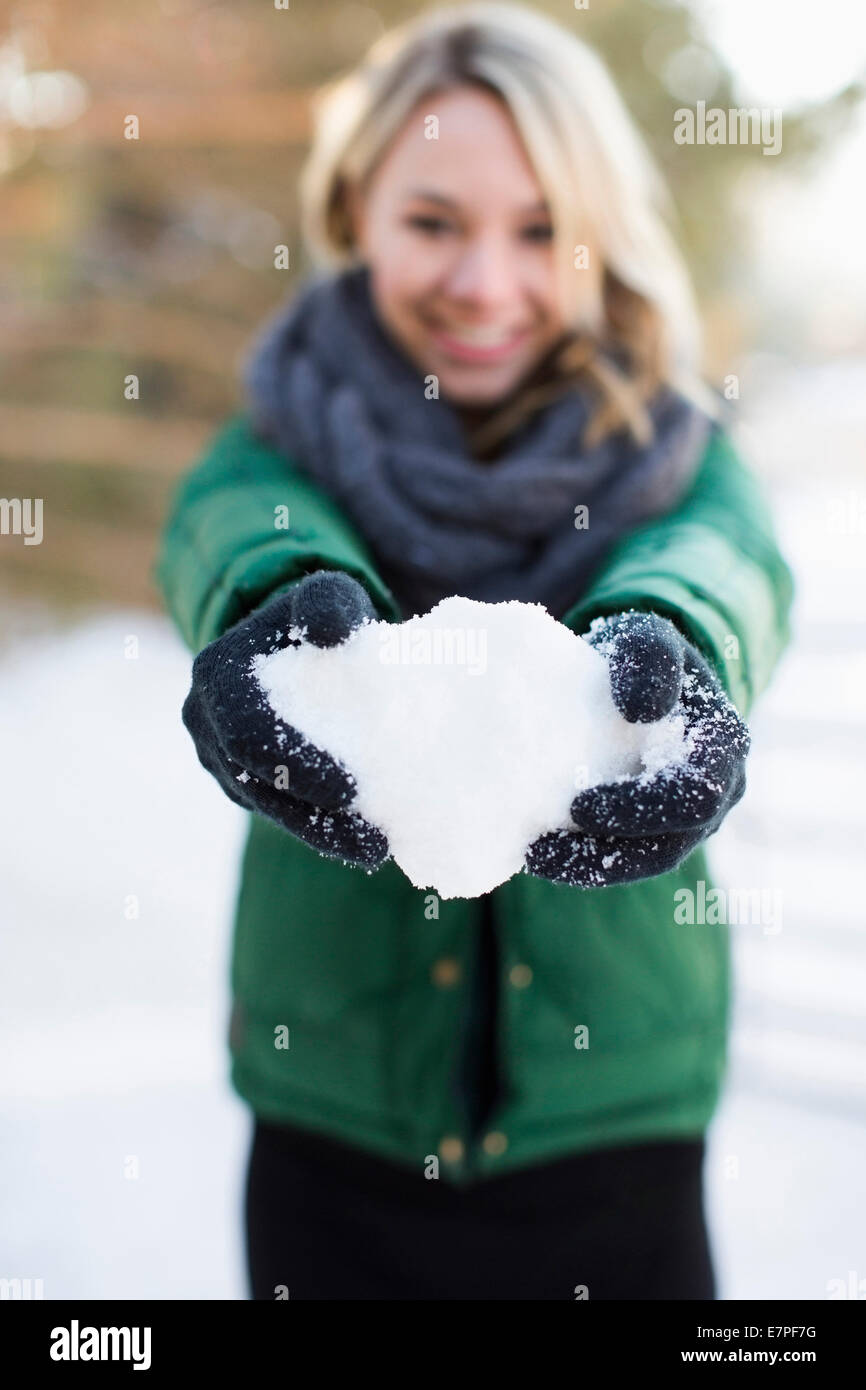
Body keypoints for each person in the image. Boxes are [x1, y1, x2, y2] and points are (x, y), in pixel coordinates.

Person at [155, 3, 793, 1301]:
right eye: (433, 221)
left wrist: (674, 645)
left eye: (541, 227)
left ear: (599, 231)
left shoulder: (668, 448)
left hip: (615, 1122)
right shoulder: (283, 437)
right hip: (332, 1120)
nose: (483, 284)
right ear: (354, 214)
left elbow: (727, 561)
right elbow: (232, 523)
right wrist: (273, 605)